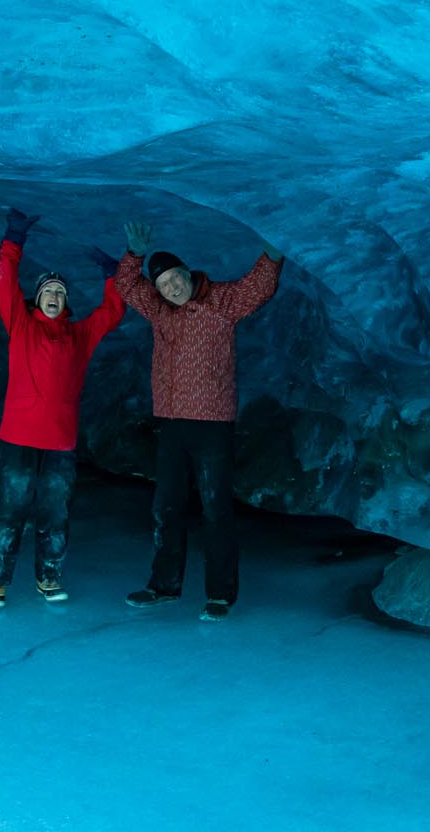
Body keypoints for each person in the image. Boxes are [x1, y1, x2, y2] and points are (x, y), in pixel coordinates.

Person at [115, 221, 283, 621]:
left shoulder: (221, 302)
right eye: (163, 284)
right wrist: (134, 256)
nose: (171, 287)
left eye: (175, 278)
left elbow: (257, 288)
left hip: (211, 423)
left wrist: (274, 253)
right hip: (172, 422)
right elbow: (127, 286)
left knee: (215, 509)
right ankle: (164, 586)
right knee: (167, 507)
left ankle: (220, 594)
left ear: (188, 274)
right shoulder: (159, 312)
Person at [0, 208, 126, 609]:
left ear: (65, 303)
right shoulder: (21, 325)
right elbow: (4, 286)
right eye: (48, 291)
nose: (54, 297)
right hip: (18, 437)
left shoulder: (79, 336)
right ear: (38, 297)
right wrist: (14, 239)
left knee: (55, 511)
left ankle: (49, 576)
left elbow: (112, 313)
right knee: (9, 508)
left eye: (61, 293)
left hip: (60, 442)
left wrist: (113, 274)